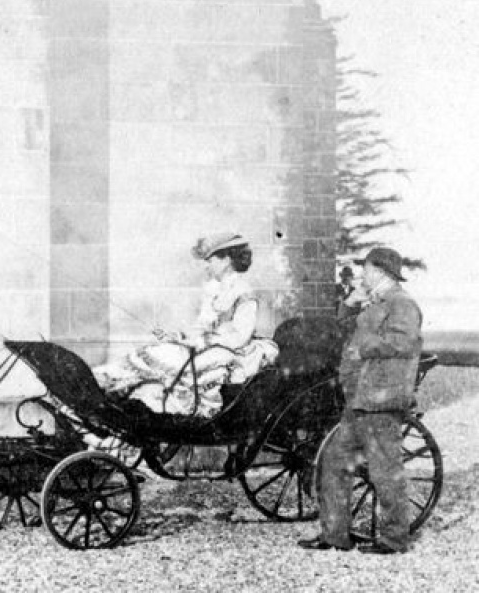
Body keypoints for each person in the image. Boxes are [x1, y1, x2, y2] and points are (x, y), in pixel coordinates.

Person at [299, 246, 422, 555]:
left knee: (384, 470)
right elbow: (348, 328)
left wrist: (363, 348)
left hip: (381, 400)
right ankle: (335, 534)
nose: (361, 275)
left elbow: (402, 342)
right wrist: (350, 305)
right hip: (359, 400)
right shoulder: (376, 303)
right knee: (334, 462)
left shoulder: (402, 304)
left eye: (365, 269)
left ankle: (394, 540)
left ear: (380, 272)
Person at [94, 233, 278, 418]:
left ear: (226, 261)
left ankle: (167, 405)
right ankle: (111, 382)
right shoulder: (213, 289)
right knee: (162, 350)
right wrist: (179, 337)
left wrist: (201, 341)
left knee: (184, 364)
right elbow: (202, 326)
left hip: (232, 352)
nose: (206, 266)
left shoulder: (244, 291)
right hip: (208, 345)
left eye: (210, 260)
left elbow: (240, 336)